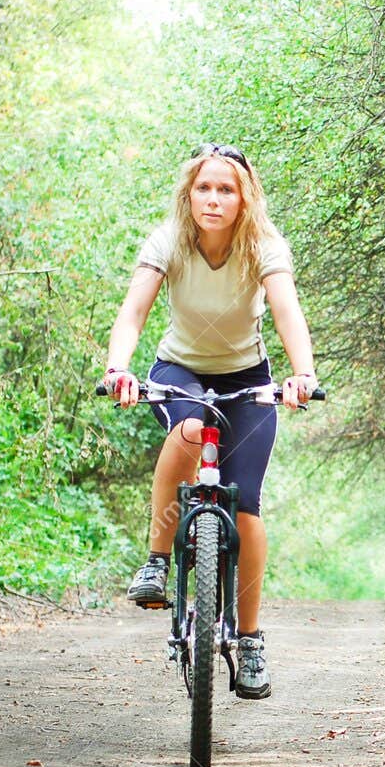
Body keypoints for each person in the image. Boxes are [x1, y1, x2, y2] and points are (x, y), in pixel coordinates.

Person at [102, 143, 316, 699]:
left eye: (226, 189)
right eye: (204, 188)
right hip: (181, 371)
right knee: (191, 428)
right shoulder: (169, 240)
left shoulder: (264, 245)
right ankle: (155, 559)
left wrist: (302, 375)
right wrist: (118, 368)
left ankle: (249, 643)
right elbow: (135, 310)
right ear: (189, 194)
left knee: (245, 505)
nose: (214, 199)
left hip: (248, 378)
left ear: (244, 197)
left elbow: (287, 309)